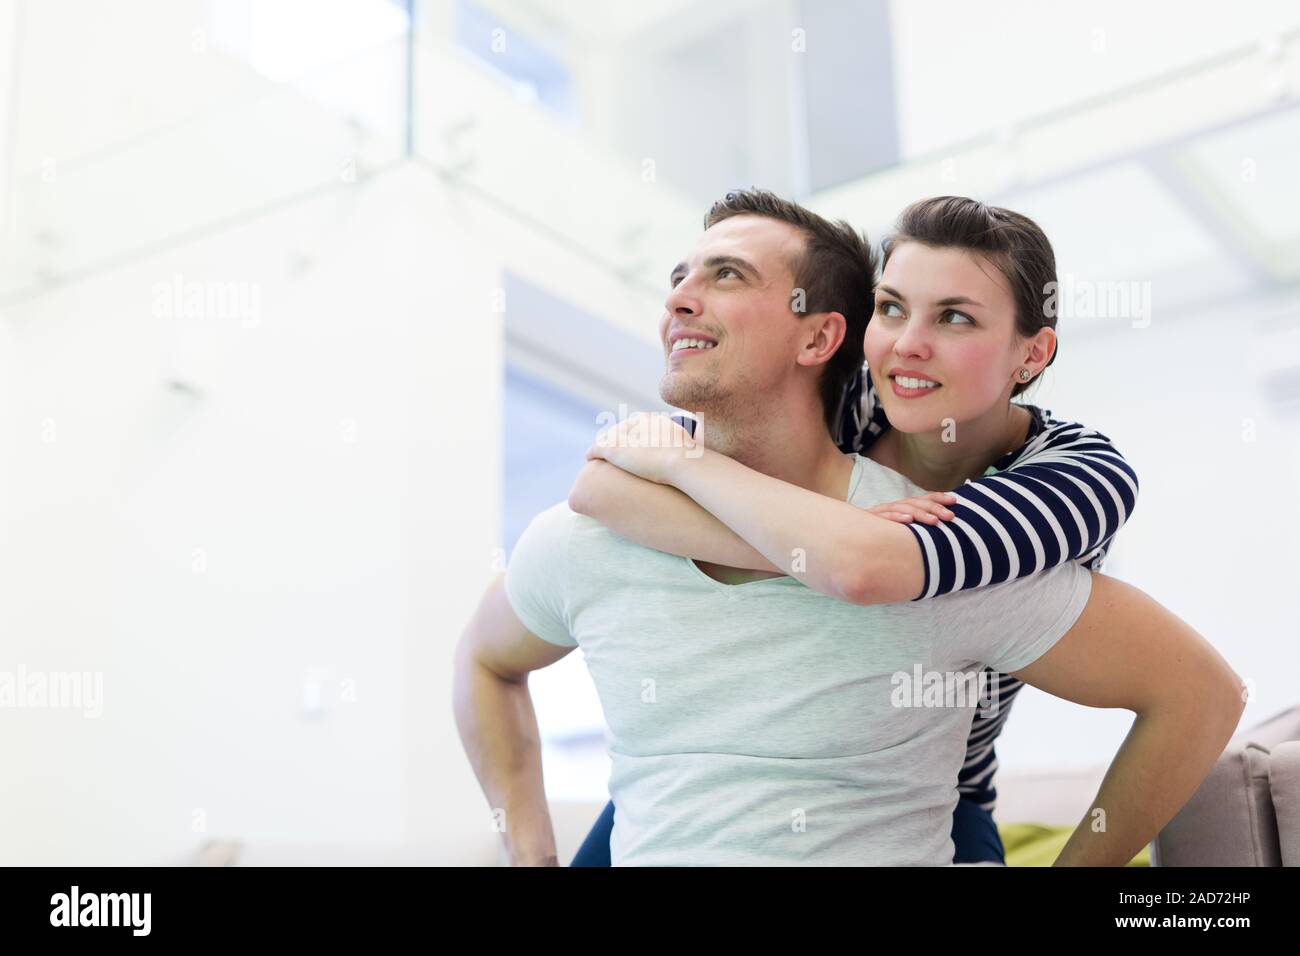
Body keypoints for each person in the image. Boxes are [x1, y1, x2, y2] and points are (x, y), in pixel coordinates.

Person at [453, 190, 1243, 866]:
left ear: (1031, 354)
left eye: (956, 318)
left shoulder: (1074, 476)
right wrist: (800, 540)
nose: (907, 345)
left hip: (940, 784)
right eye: (892, 309)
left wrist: (848, 541)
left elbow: (873, 571)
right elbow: (603, 487)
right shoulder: (847, 399)